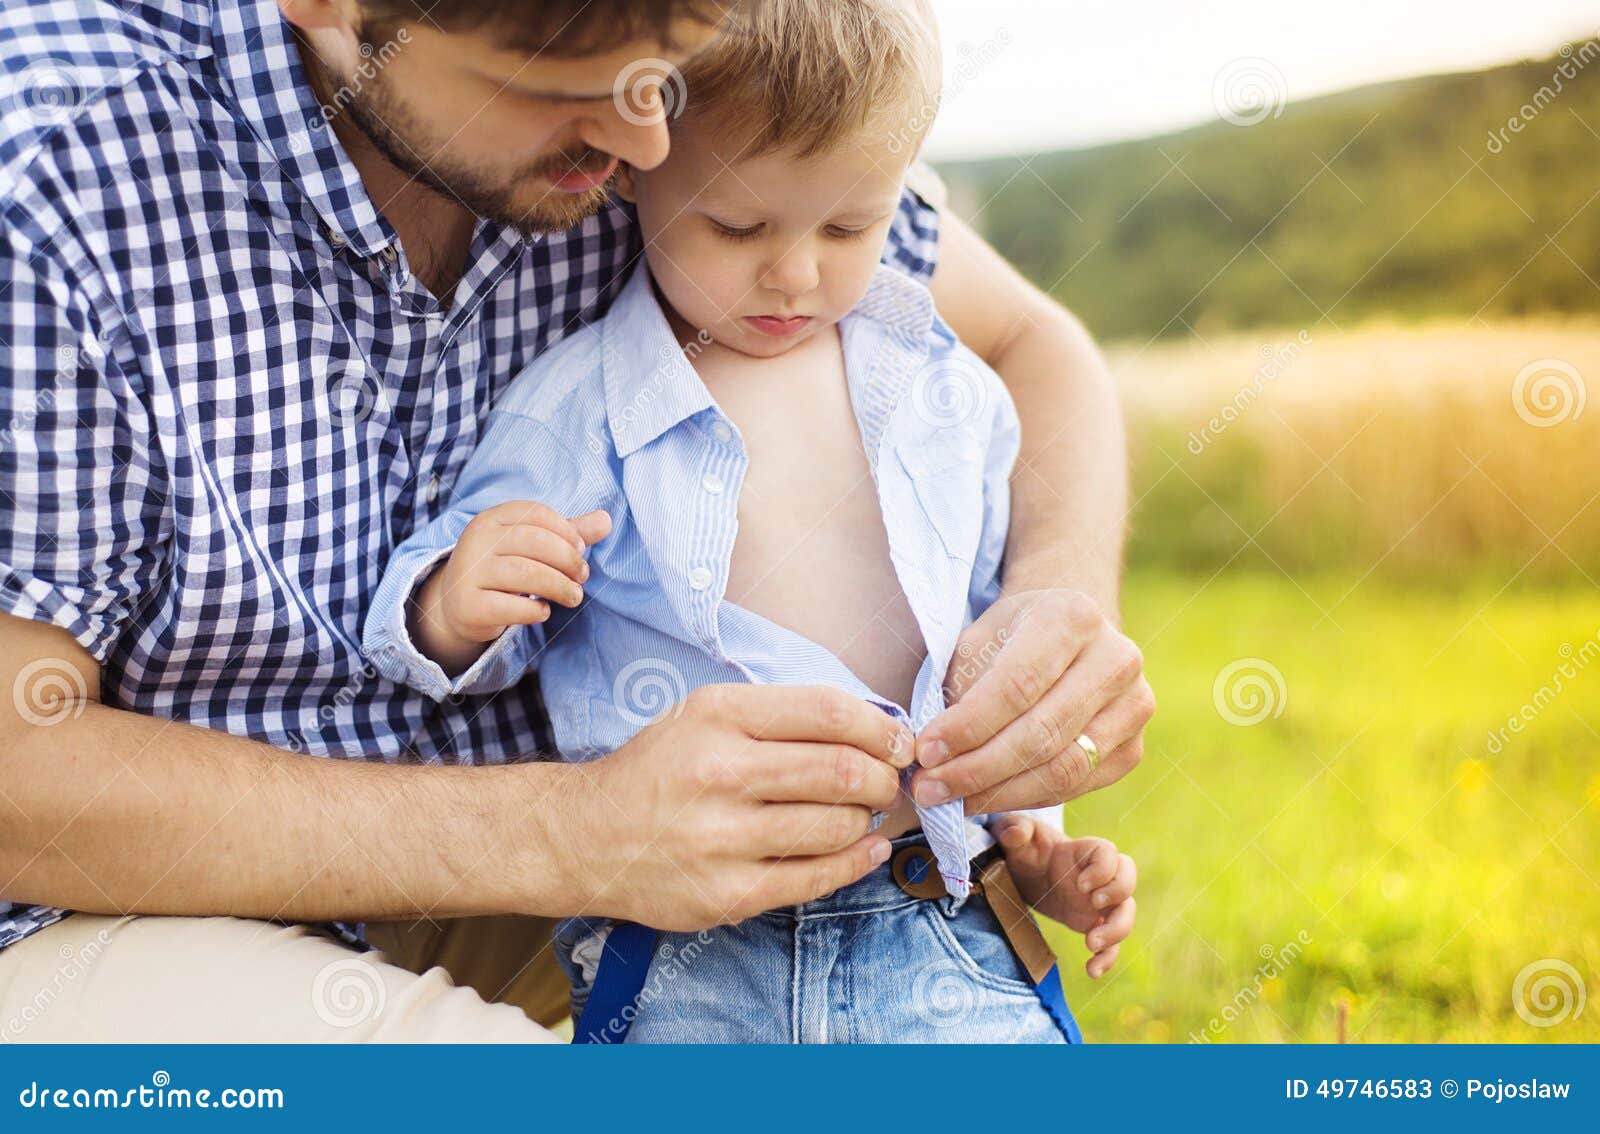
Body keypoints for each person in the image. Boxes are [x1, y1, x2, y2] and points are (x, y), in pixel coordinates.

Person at [0, 0, 1151, 1041]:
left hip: (569, 893)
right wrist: (569, 832)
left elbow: (1029, 344)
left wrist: (1059, 598)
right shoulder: (53, 163)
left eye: (667, 68)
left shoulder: (669, 128)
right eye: (568, 84)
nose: (649, 143)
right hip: (109, 911)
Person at [365, 0, 1137, 1043]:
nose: (796, 273)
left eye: (849, 228)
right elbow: (463, 611)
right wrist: (452, 605)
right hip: (694, 945)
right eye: (736, 228)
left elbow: (989, 628)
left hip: (938, 916)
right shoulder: (581, 405)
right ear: (632, 167)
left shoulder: (938, 382)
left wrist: (1031, 834)